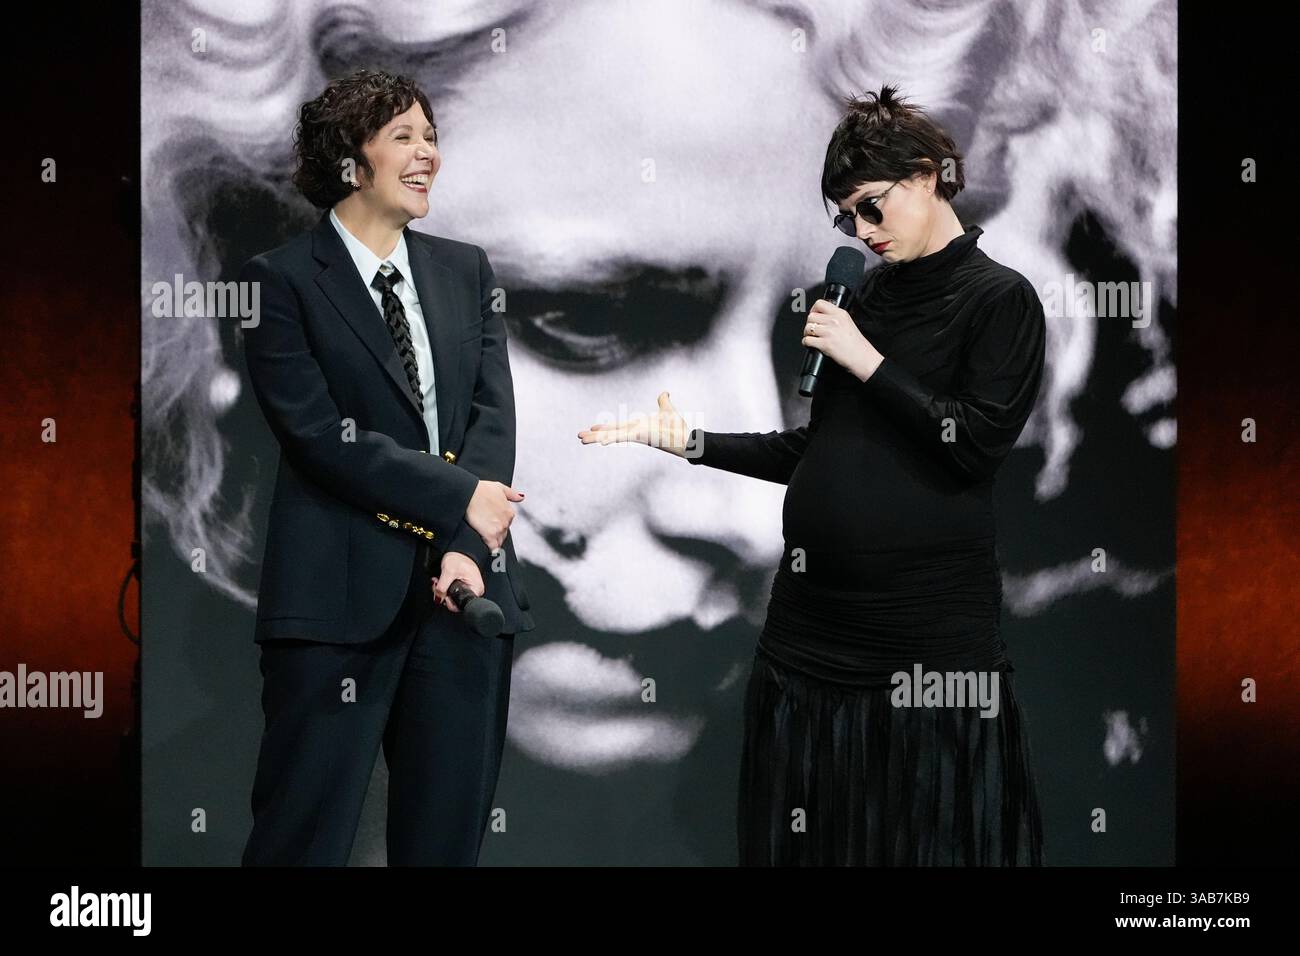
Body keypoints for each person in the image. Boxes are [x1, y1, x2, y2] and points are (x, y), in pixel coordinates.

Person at [580, 85, 1047, 865]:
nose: (864, 233)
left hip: (922, 646)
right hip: (808, 636)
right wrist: (688, 442)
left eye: (873, 208)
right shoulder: (862, 297)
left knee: (926, 837)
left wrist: (866, 359)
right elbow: (815, 450)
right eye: (846, 220)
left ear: (930, 176)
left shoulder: (1000, 300)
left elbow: (971, 442)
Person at [239, 69, 533, 865]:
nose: (427, 154)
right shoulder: (281, 281)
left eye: (431, 136)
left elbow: (489, 416)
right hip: (337, 599)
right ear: (349, 159)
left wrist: (468, 543)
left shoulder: (466, 270)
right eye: (404, 136)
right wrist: (463, 498)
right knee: (303, 839)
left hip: (462, 594)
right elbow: (321, 437)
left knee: (444, 846)